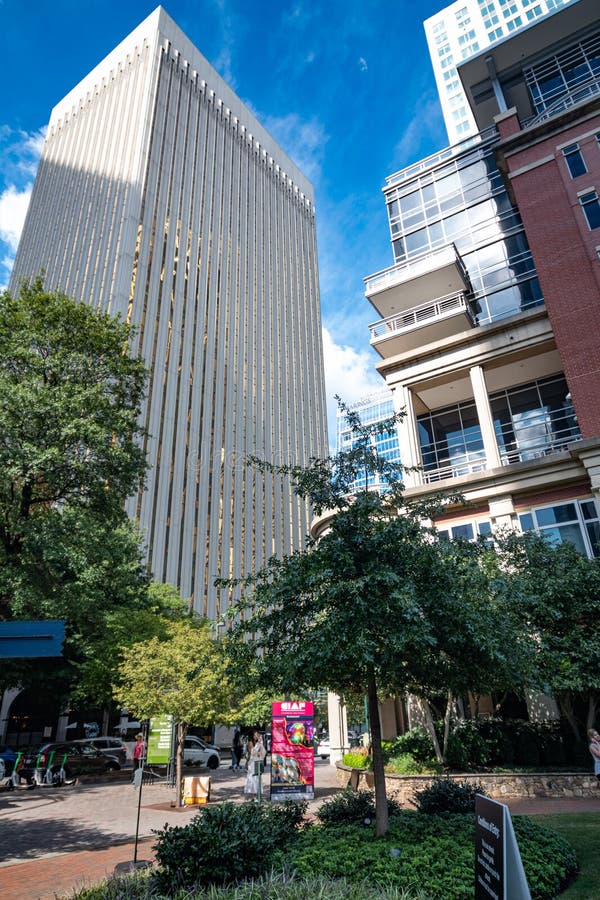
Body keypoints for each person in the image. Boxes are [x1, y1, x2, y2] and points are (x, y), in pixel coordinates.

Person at [244, 731, 266, 798]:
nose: (257, 736)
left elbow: (264, 752)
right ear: (252, 735)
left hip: (258, 761)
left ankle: (257, 793)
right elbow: (253, 752)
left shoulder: (258, 743)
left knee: (258, 777)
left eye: (257, 734)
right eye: (255, 734)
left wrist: (261, 744)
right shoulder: (250, 743)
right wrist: (258, 744)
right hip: (253, 762)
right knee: (253, 777)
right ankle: (253, 793)